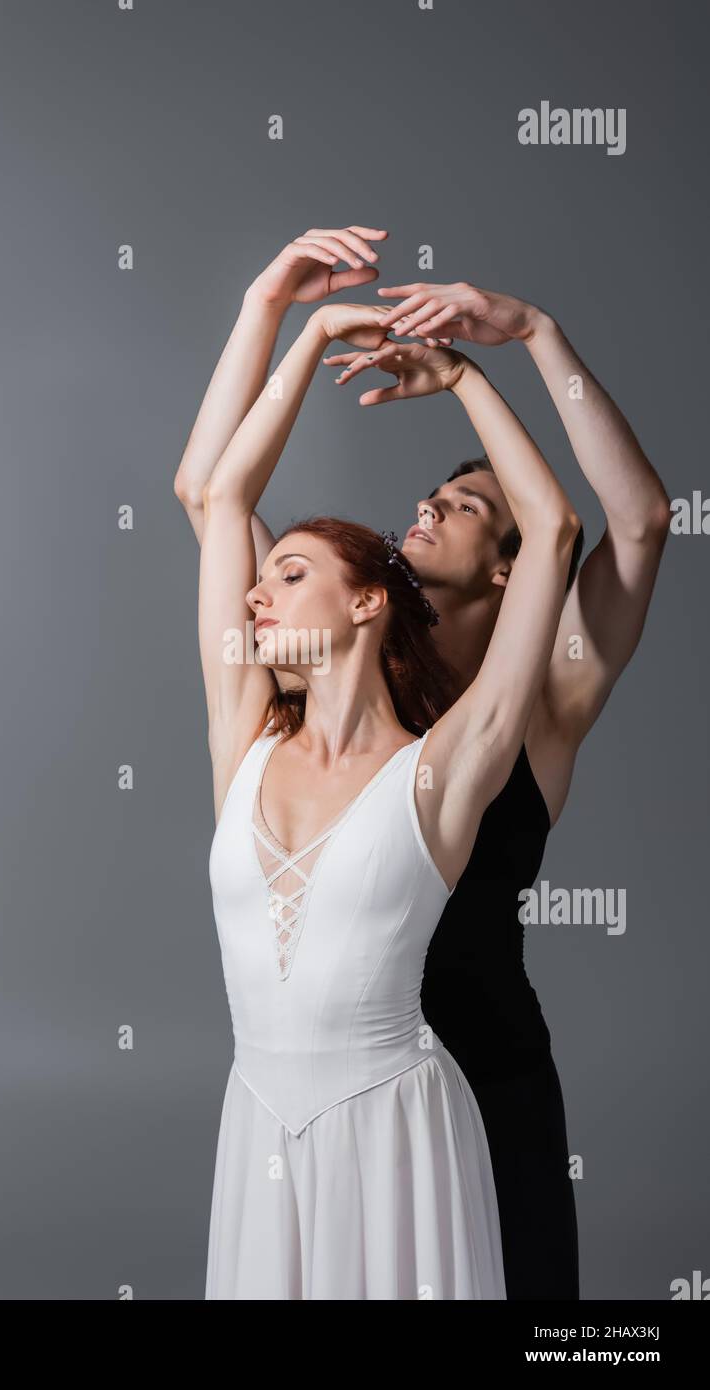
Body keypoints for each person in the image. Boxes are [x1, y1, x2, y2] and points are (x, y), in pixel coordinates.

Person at [176, 233, 669, 1298]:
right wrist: (275, 307)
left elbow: (626, 522)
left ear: (506, 565)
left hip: (473, 1072)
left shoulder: (531, 703)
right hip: (296, 1094)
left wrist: (522, 339)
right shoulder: (290, 696)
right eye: (431, 498)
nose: (430, 507)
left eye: (466, 505)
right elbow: (207, 495)